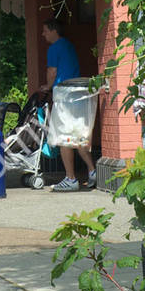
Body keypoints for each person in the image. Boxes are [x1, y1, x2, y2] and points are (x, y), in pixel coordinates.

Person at [40, 18, 97, 191]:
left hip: (64, 95)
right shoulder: (69, 46)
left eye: (45, 31)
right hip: (79, 94)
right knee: (78, 135)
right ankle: (92, 170)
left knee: (64, 136)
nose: (43, 34)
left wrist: (47, 86)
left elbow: (52, 71)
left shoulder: (54, 48)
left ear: (53, 30)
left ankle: (71, 179)